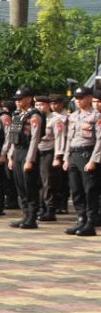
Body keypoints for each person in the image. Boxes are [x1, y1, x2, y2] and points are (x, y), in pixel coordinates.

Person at [65, 87, 98, 236]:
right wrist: (66, 157)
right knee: (76, 189)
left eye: (81, 98)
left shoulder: (96, 116)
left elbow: (100, 141)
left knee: (89, 190)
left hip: (87, 154)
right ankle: (81, 219)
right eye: (76, 98)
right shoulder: (73, 116)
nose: (78, 101)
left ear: (90, 98)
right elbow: (69, 138)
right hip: (74, 154)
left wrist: (94, 160)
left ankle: (90, 222)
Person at [9, 88, 43, 229]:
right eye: (16, 99)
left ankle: (32, 218)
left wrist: (30, 160)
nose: (17, 101)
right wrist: (11, 156)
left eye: (20, 99)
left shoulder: (34, 116)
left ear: (29, 99)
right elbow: (13, 137)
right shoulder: (18, 115)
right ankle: (25, 215)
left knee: (30, 186)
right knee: (20, 186)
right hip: (18, 151)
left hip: (28, 152)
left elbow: (35, 139)